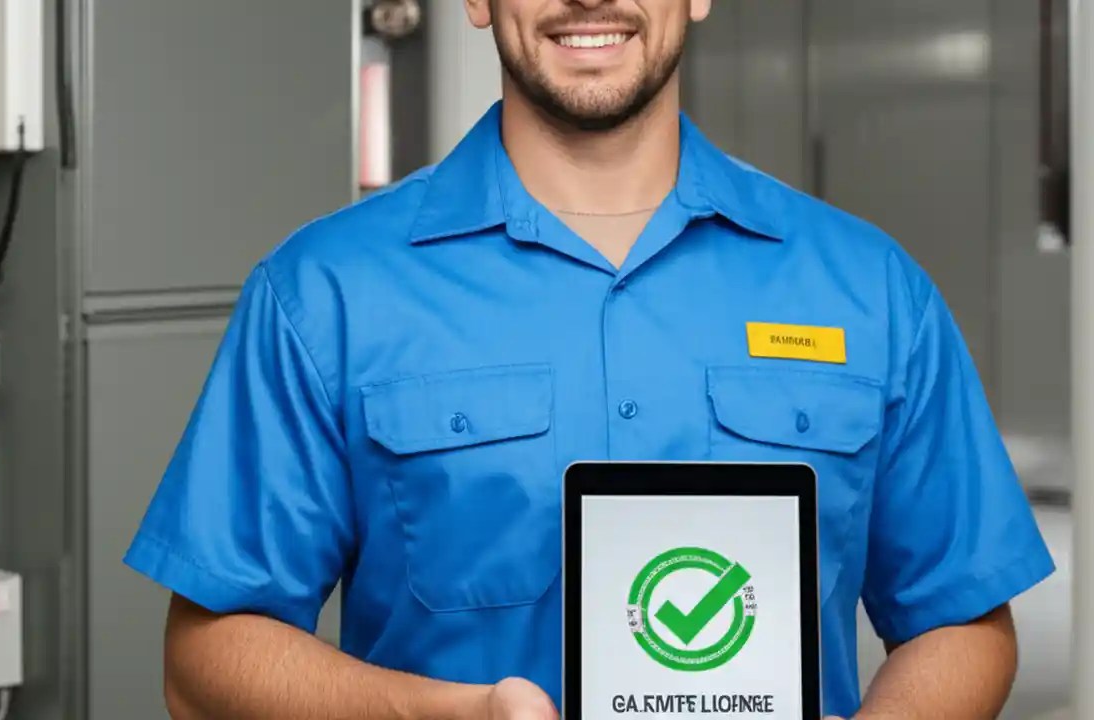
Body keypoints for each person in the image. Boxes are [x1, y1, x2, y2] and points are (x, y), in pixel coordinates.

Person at [124, 0, 1055, 717]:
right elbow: (204, 664)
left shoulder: (870, 289)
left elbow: (962, 619)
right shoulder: (324, 292)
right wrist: (438, 712)